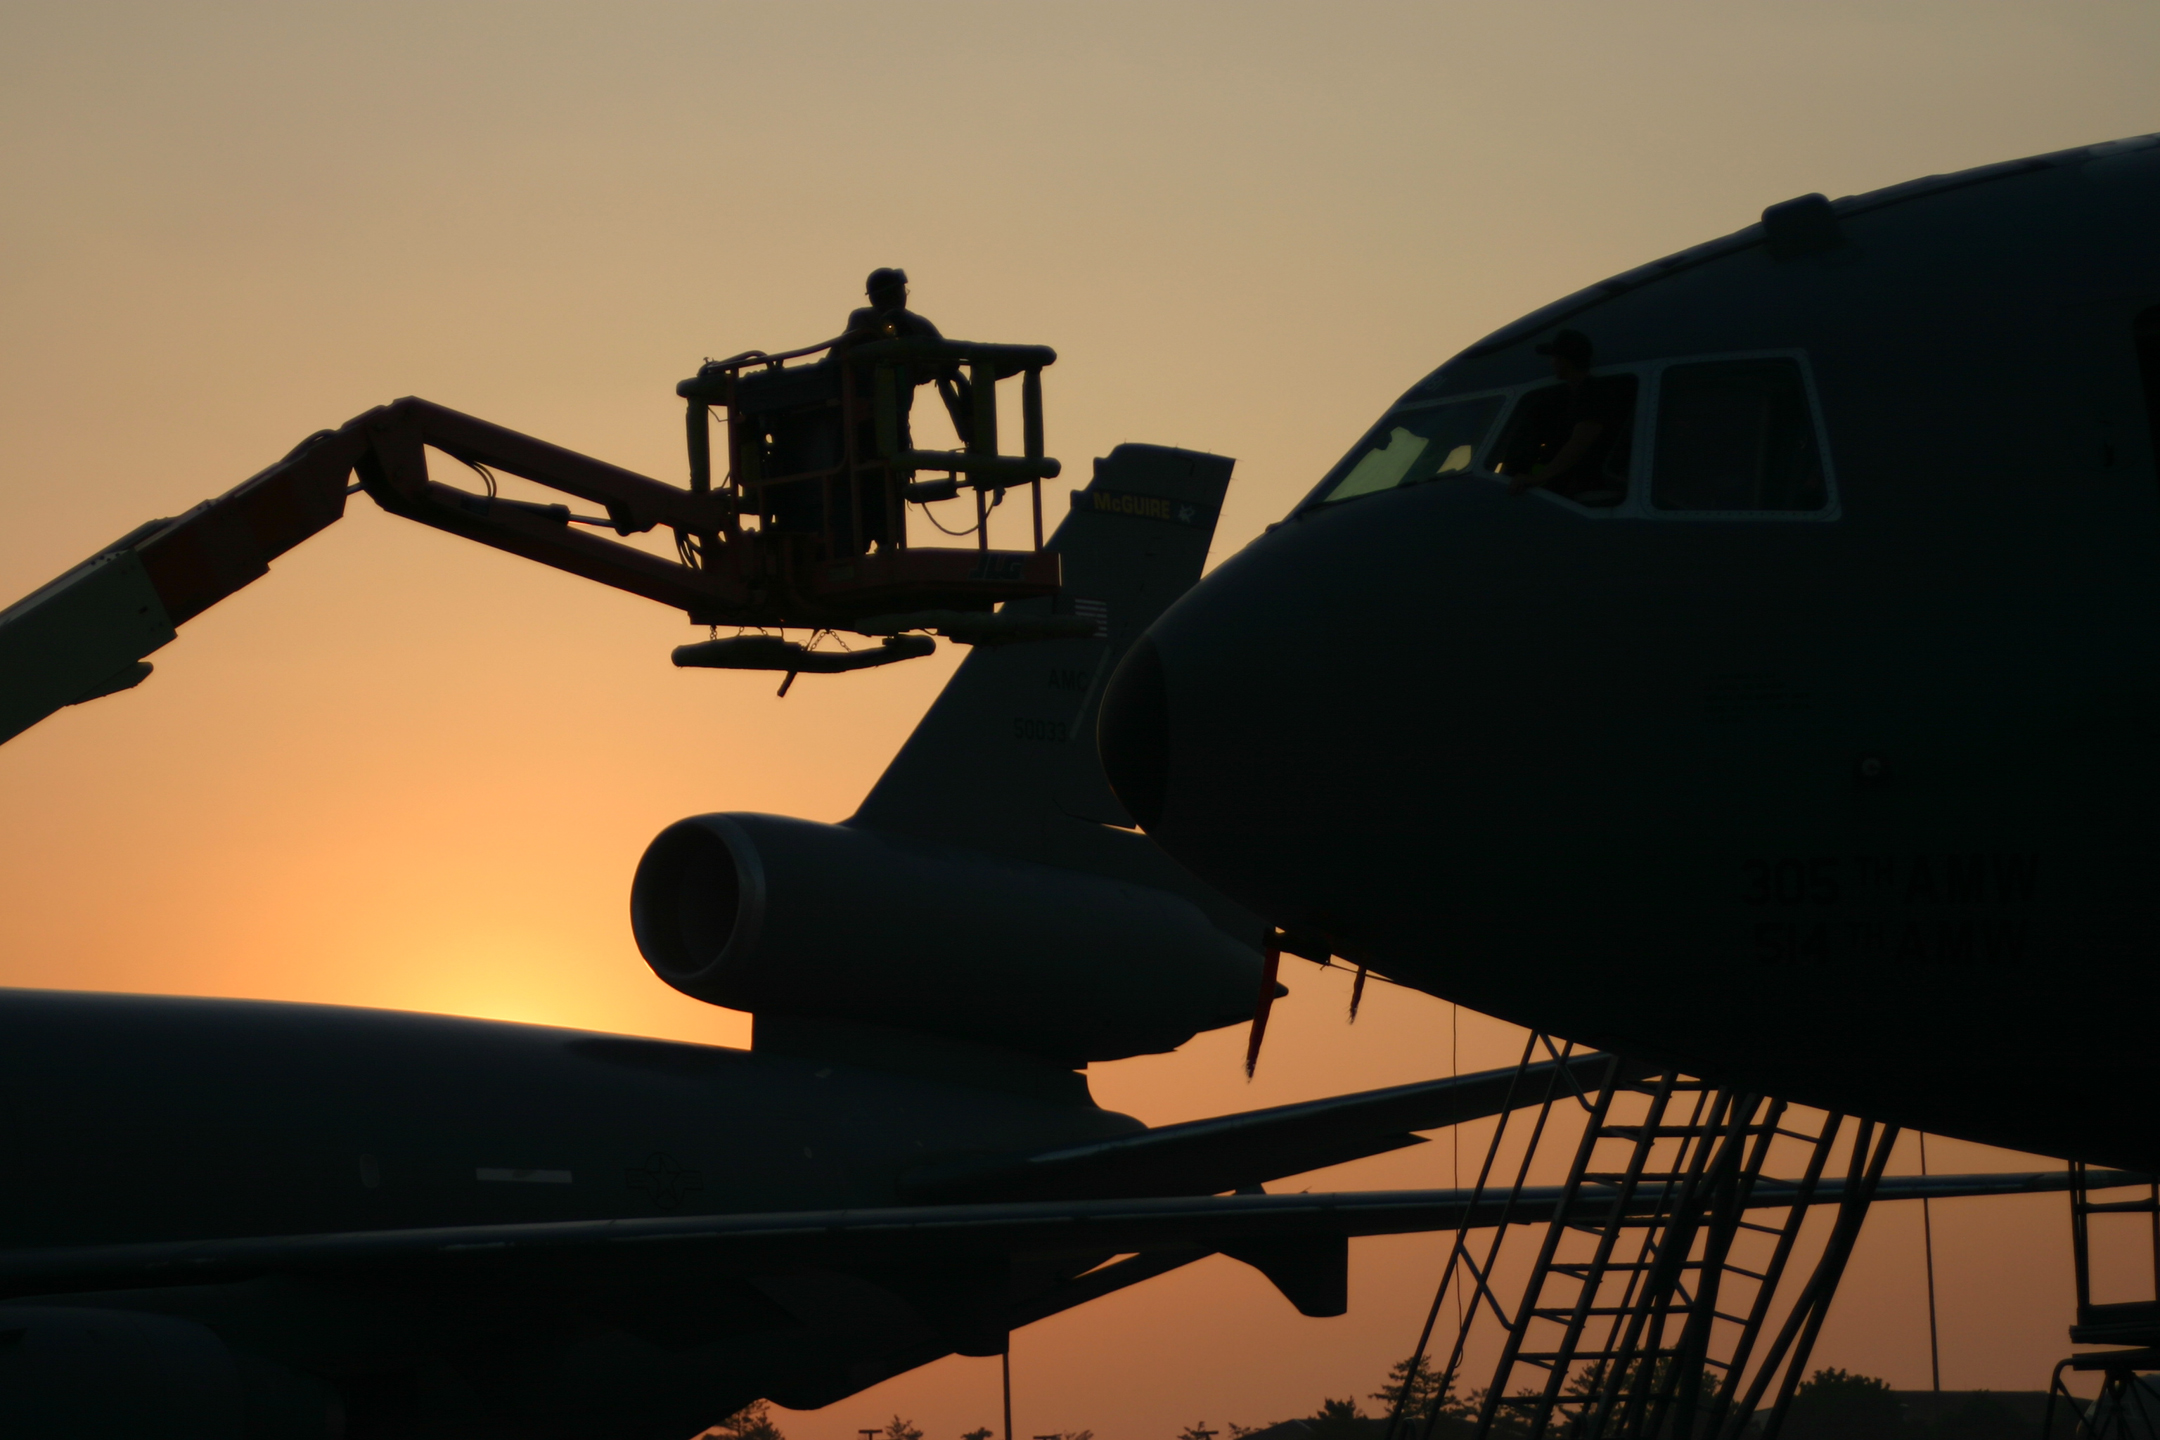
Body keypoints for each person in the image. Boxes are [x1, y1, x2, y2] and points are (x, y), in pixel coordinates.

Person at [1507, 328, 1622, 499]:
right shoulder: (1573, 395)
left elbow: (1580, 441)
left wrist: (1537, 479)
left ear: (1563, 361)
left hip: (1589, 491)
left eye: (1554, 358)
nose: (1551, 363)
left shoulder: (1593, 393)